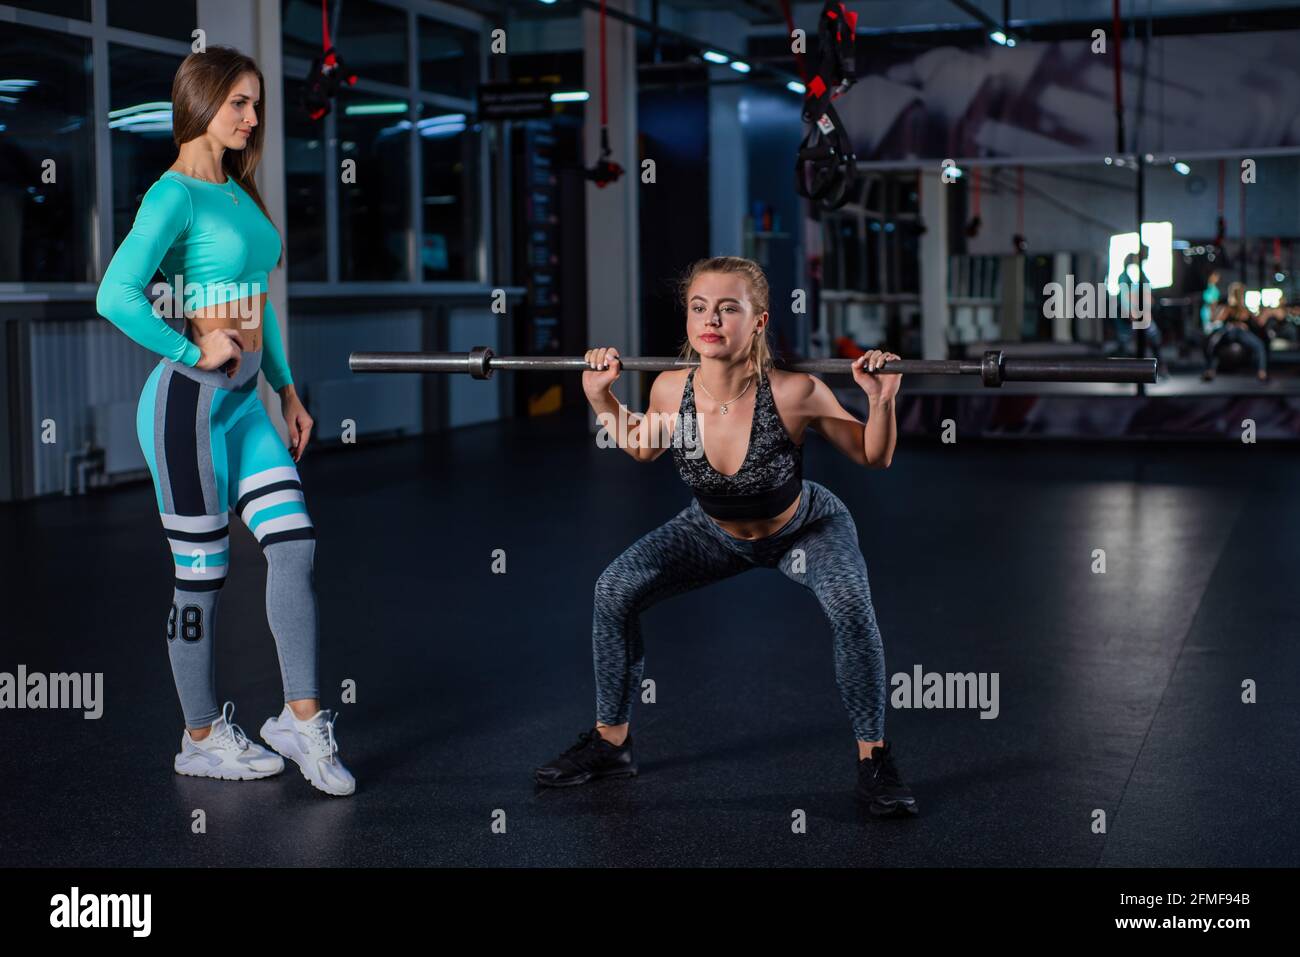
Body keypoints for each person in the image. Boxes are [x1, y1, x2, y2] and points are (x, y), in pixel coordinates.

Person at [534, 256, 918, 819]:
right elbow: (642, 446)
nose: (711, 318)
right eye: (699, 307)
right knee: (613, 590)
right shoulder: (671, 389)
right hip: (711, 531)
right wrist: (601, 398)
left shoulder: (794, 392)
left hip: (803, 529)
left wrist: (881, 399)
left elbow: (873, 455)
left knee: (850, 605)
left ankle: (875, 759)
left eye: (728, 308)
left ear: (758, 322)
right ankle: (611, 745)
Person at [95, 47, 354, 795]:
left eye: (256, 103)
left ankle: (300, 723)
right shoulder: (171, 194)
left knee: (294, 546)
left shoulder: (240, 194)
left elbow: (256, 303)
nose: (252, 117)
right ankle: (200, 735)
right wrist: (189, 342)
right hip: (188, 407)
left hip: (246, 409)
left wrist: (288, 389)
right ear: (201, 101)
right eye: (239, 102)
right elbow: (116, 293)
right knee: (200, 578)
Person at [1202, 281, 1267, 382]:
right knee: (1213, 344)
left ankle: (1261, 371)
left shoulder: (1245, 309)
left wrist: (1266, 313)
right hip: (1229, 332)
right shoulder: (1228, 308)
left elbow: (1259, 322)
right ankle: (1210, 370)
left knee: (1259, 345)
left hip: (1242, 333)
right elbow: (1215, 320)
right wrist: (1213, 309)